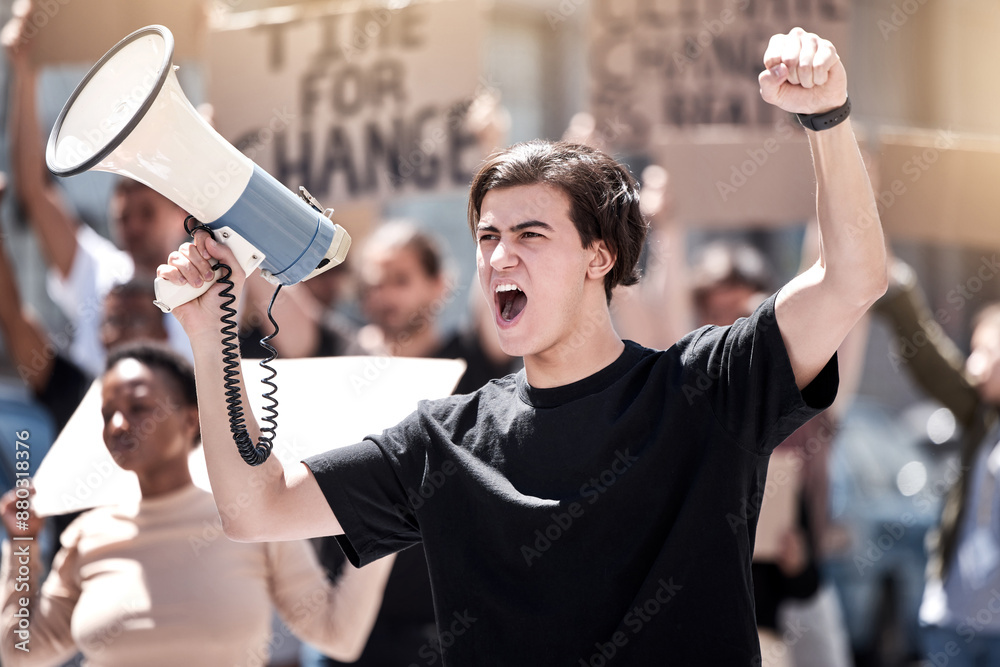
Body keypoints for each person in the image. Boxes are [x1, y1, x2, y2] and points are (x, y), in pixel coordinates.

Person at [158, 29, 887, 663]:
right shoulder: (442, 439)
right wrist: (207, 333)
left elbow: (852, 277)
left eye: (530, 234)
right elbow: (254, 508)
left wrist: (826, 117)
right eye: (487, 238)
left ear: (599, 257)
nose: (499, 256)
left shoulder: (707, 386)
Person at [0, 341, 394, 666]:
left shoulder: (254, 518)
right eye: (108, 413)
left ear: (192, 420)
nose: (118, 425)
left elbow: (338, 636)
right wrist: (21, 545)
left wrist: (386, 509)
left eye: (138, 408)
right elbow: (17, 653)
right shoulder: (88, 535)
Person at [3, 11, 191, 376]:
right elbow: (34, 191)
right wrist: (25, 70)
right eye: (122, 217)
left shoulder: (215, 278)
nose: (132, 227)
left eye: (146, 213)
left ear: (179, 209)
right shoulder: (98, 271)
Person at [874, 258, 1000, 666]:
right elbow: (931, 364)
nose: (976, 366)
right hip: (953, 618)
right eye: (975, 350)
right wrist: (899, 293)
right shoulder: (979, 417)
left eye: (989, 353)